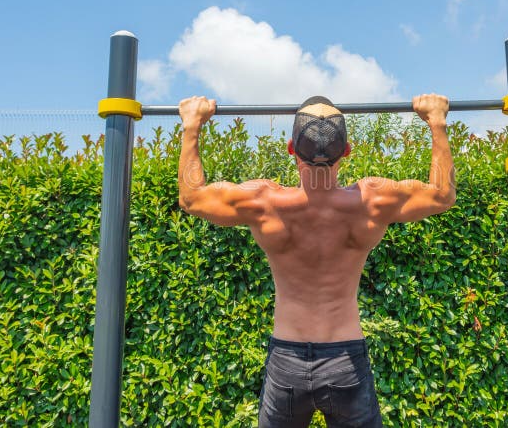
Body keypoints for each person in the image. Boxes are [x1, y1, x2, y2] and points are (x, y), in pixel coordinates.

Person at [178, 94, 456, 427]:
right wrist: (436, 121)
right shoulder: (372, 200)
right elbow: (442, 195)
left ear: (291, 148)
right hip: (345, 362)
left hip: (287, 362)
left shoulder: (264, 202)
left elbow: (191, 197)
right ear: (348, 151)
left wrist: (192, 125)